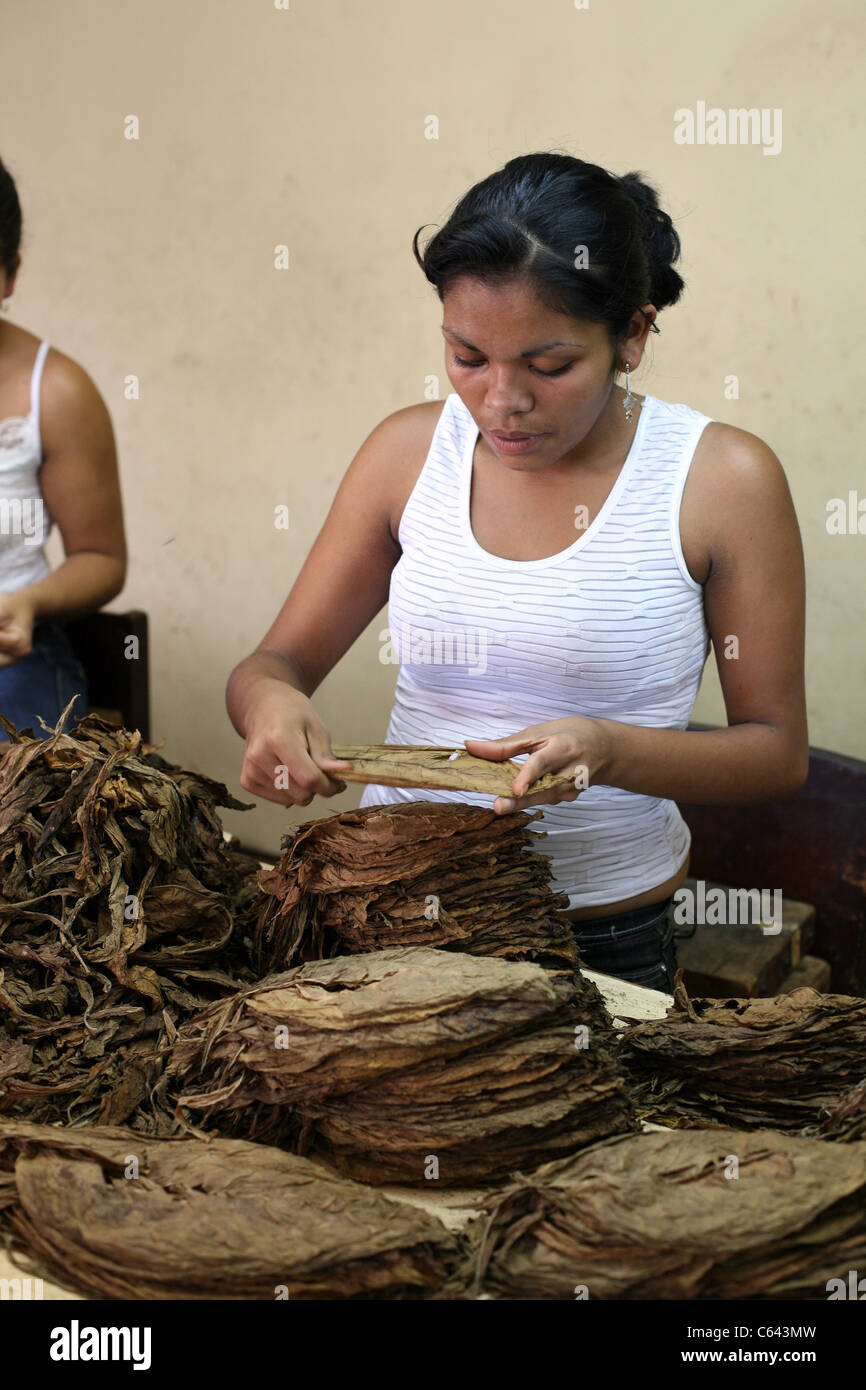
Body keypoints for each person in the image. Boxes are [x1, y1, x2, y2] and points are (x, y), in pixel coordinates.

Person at [226, 152, 807, 992]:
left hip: (600, 934)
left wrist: (607, 751)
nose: (501, 401)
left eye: (549, 366)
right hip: (394, 900)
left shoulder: (721, 482)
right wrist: (272, 708)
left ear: (633, 335)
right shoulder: (406, 455)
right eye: (467, 356)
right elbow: (269, 666)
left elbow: (776, 753)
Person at [0, 156, 126, 739]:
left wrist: (27, 603)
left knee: (29, 812)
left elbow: (100, 558)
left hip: (12, 653)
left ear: (10, 273)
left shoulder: (54, 391)